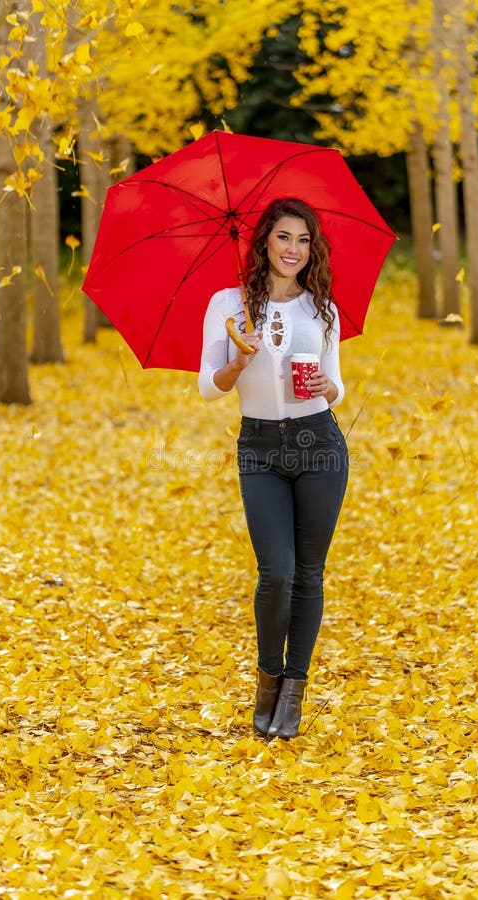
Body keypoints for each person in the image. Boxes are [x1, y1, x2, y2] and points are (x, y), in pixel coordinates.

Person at [198, 197, 349, 740]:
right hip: (259, 448)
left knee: (309, 574)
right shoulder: (228, 305)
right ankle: (268, 677)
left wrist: (325, 388)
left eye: (304, 240)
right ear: (265, 241)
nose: (294, 250)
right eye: (284, 237)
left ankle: (295, 689)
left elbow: (337, 382)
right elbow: (207, 387)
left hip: (320, 445)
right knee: (276, 573)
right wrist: (237, 361)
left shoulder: (321, 308)